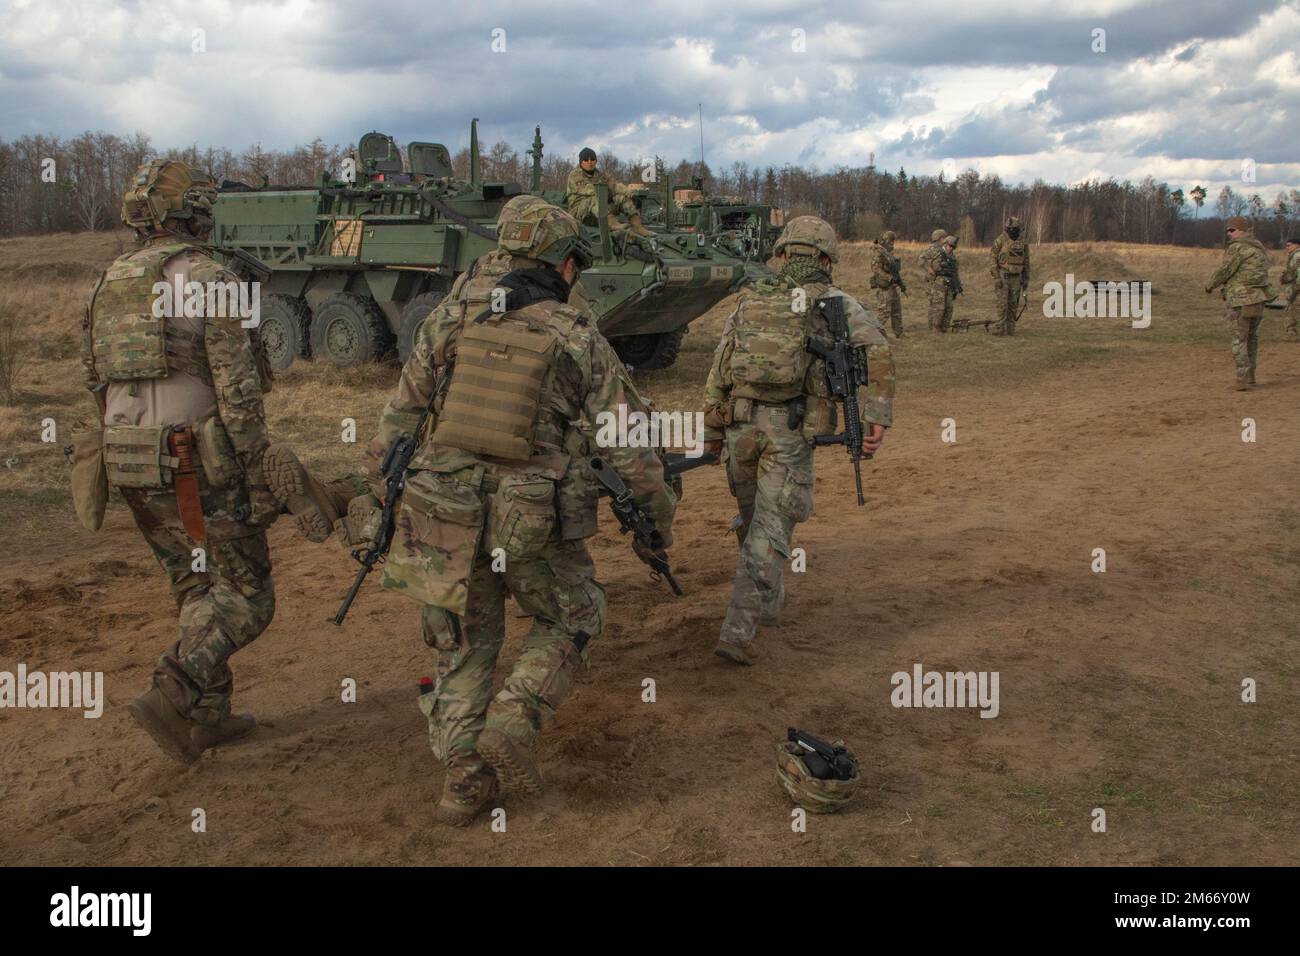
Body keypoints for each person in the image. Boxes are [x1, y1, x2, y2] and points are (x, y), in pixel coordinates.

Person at [372, 201, 675, 825]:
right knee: (575, 613)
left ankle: (462, 783)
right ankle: (512, 721)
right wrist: (658, 517)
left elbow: (399, 420)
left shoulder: (448, 318)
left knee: (462, 641)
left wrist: (384, 495)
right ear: (563, 264)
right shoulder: (572, 333)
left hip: (441, 510)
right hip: (527, 514)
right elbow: (630, 444)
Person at [81, 160, 279, 763]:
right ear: (193, 211)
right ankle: (175, 684)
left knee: (196, 584)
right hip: (196, 463)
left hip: (129, 462)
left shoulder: (107, 281)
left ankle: (207, 716)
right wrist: (258, 465)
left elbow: (92, 378)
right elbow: (239, 392)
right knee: (248, 599)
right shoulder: (213, 277)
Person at [701, 216, 895, 665]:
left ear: (783, 254)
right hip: (789, 433)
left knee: (755, 522)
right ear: (827, 258)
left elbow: (719, 367)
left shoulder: (749, 301)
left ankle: (767, 604)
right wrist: (878, 416)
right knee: (768, 532)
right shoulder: (837, 303)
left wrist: (712, 432)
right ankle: (737, 630)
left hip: (740, 431)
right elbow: (879, 352)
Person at [1206, 216, 1273, 390]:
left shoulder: (1237, 248)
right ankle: (1251, 376)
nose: (1229, 234)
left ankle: (1241, 379)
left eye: (1232, 230)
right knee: (1252, 338)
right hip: (1259, 298)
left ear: (1242, 230)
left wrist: (1210, 285)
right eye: (1228, 230)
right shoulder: (1258, 248)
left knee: (1239, 339)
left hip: (1241, 300)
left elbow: (1226, 270)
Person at [564, 147, 649, 235]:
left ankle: (637, 227)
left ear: (596, 161)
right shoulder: (575, 175)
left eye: (592, 159)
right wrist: (608, 194)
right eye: (586, 159)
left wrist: (632, 195)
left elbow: (615, 186)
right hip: (580, 213)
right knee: (594, 199)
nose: (589, 162)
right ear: (581, 162)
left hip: (600, 213)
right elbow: (591, 190)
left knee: (621, 197)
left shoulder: (600, 175)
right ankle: (613, 224)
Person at [990, 216, 1030, 336]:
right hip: (1003, 275)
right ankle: (999, 329)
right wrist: (996, 277)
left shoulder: (1022, 242)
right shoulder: (1000, 240)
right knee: (1002, 304)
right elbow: (992, 259)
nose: (1017, 231)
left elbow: (1026, 261)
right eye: (1015, 229)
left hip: (1017, 277)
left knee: (1013, 304)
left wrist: (1026, 279)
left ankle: (1010, 329)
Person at [869, 230, 905, 337]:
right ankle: (873, 334)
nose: (893, 243)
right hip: (884, 286)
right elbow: (875, 269)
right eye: (891, 241)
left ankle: (899, 333)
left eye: (893, 241)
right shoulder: (878, 252)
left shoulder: (888, 252)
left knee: (896, 310)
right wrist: (889, 278)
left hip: (892, 286)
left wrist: (898, 281)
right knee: (884, 313)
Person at [919, 227, 950, 333]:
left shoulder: (943, 249)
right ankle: (934, 329)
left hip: (940, 280)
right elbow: (921, 260)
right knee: (937, 305)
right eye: (943, 238)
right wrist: (929, 269)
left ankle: (934, 327)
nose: (945, 240)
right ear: (939, 238)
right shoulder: (932, 249)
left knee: (935, 304)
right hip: (934, 281)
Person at [1281, 237, 1299, 340]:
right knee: (1291, 312)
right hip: (1294, 290)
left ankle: (1291, 334)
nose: (1287, 247)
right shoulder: (1293, 256)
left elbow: (1298, 273)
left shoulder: (1297, 256)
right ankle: (1291, 334)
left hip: (1296, 290)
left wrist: (1296, 289)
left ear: (1297, 245)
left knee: (1292, 312)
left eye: (1289, 245)